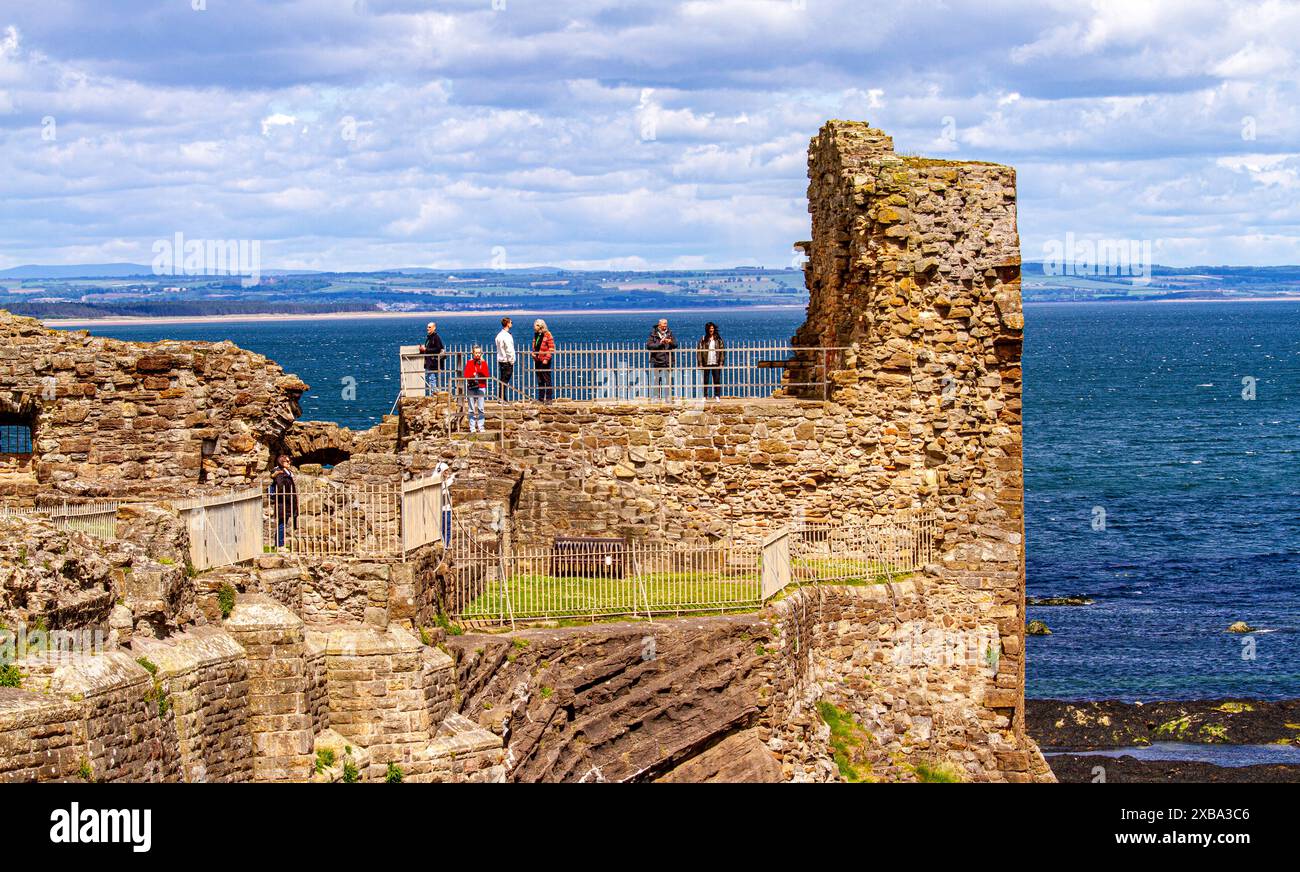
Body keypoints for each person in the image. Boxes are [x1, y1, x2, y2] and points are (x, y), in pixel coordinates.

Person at [269, 454, 298, 549]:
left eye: (289, 461)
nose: (289, 463)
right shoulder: (280, 473)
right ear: (281, 462)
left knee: (283, 523)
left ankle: (278, 544)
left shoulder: (287, 473)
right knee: (282, 524)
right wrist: (287, 496)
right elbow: (280, 487)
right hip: (283, 502)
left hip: (287, 502)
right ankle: (279, 545)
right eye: (287, 461)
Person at [646, 318, 677, 401]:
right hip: (657, 360)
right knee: (657, 379)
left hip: (668, 360)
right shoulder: (653, 334)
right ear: (659, 325)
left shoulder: (670, 333)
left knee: (668, 380)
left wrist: (670, 342)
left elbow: (675, 344)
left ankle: (667, 397)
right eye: (664, 324)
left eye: (666, 324)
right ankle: (656, 397)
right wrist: (660, 344)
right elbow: (649, 346)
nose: (665, 326)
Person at [463, 345, 490, 433]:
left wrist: (479, 371)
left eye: (479, 353)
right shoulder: (469, 362)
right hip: (472, 386)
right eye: (476, 353)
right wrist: (474, 374)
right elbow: (466, 374)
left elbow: (486, 375)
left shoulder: (484, 363)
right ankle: (472, 427)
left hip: (481, 386)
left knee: (481, 408)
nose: (478, 354)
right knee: (471, 408)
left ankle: (481, 426)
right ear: (473, 353)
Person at [697, 321, 726, 401]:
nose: (711, 330)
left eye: (712, 328)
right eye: (710, 328)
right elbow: (699, 352)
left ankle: (717, 396)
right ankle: (705, 396)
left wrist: (721, 363)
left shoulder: (718, 339)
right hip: (706, 362)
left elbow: (722, 351)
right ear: (707, 329)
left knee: (716, 379)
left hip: (716, 362)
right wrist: (700, 363)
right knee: (705, 380)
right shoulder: (703, 339)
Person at [532, 319, 555, 403]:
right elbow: (535, 346)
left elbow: (551, 348)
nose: (534, 327)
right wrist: (533, 353)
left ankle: (549, 398)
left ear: (540, 326)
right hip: (537, 360)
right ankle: (541, 398)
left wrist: (546, 358)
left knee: (547, 379)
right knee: (540, 380)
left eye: (535, 325)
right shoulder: (536, 335)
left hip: (545, 360)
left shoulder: (548, 334)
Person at [419, 322, 445, 394]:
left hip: (434, 363)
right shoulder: (429, 338)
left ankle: (434, 394)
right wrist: (423, 350)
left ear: (434, 328)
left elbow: (438, 348)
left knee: (432, 379)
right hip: (431, 362)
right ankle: (435, 393)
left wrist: (426, 349)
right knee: (432, 379)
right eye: (427, 327)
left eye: (429, 327)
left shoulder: (436, 337)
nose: (428, 328)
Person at [495, 317, 516, 393]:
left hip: (501, 360)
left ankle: (502, 397)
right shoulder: (506, 336)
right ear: (507, 324)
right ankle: (502, 397)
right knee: (505, 381)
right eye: (511, 322)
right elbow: (509, 350)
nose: (511, 324)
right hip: (507, 361)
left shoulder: (499, 335)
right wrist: (511, 361)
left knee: (502, 380)